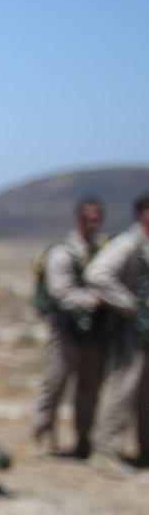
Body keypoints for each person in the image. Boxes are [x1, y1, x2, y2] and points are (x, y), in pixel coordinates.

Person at [31, 197, 109, 457]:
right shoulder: (63, 252)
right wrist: (95, 301)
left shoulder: (100, 251)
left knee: (89, 386)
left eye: (96, 218)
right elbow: (60, 292)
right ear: (78, 218)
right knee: (55, 382)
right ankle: (43, 436)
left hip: (93, 331)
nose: (93, 223)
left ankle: (84, 440)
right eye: (88, 218)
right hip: (65, 328)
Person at [84, 191, 149, 478]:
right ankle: (105, 450)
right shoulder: (128, 243)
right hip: (130, 330)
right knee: (122, 388)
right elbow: (97, 274)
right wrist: (130, 305)